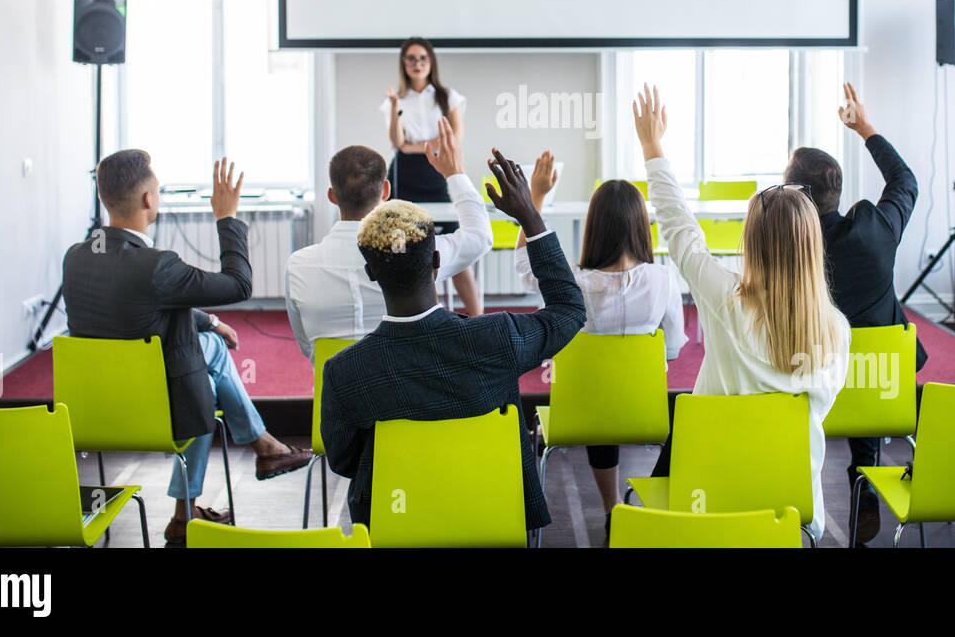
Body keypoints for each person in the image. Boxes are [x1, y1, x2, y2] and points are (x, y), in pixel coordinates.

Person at [320, 149, 586, 537]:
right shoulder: (496, 338)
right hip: (495, 514)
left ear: (371, 273)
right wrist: (529, 215)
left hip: (398, 524)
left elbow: (345, 462)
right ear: (436, 263)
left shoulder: (345, 371)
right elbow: (569, 309)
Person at [62, 149, 313, 545]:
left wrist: (210, 321)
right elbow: (238, 285)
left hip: (96, 411)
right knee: (203, 377)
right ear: (149, 199)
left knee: (206, 353)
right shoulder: (158, 265)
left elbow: (137, 305)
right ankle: (257, 449)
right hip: (157, 411)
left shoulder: (76, 258)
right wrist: (226, 217)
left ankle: (255, 455)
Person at [633, 84, 849, 543]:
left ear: (750, 242)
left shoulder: (726, 299)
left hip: (708, 492)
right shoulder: (836, 330)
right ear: (812, 247)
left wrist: (653, 147)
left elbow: (679, 230)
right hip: (792, 506)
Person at [513, 152, 686, 536]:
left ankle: (612, 509)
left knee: (600, 403)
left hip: (581, 414)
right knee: (675, 417)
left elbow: (526, 267)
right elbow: (672, 349)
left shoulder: (571, 282)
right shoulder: (664, 281)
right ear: (642, 226)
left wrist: (535, 198)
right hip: (646, 412)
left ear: (594, 227)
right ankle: (645, 508)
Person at [783, 81, 919, 545]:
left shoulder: (790, 249)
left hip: (811, 387)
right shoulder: (877, 229)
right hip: (880, 389)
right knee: (868, 358)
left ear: (794, 196)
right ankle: (866, 478)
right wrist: (864, 128)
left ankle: (793, 501)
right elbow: (905, 182)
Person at [285, 118, 494, 360]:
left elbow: (307, 348)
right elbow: (479, 237)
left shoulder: (298, 266)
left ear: (332, 196)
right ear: (386, 190)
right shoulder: (415, 256)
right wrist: (455, 173)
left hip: (333, 395)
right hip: (405, 394)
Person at [381, 36, 482, 315]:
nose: (417, 64)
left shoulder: (448, 96)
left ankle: (478, 320)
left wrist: (417, 146)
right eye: (411, 59)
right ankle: (428, 320)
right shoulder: (397, 100)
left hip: (438, 172)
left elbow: (453, 139)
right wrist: (393, 108)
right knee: (414, 255)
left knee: (457, 251)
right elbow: (397, 142)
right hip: (406, 175)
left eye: (422, 58)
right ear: (404, 64)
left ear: (431, 63)